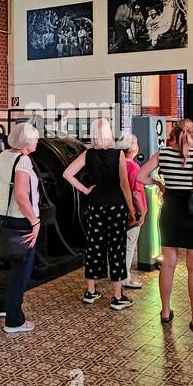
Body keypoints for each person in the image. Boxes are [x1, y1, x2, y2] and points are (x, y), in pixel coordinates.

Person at [137, 117, 193, 331]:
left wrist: (159, 183)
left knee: (167, 264)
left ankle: (165, 312)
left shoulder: (163, 153)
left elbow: (140, 176)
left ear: (174, 134)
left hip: (170, 212)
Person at [63, 117, 137, 310]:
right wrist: (131, 209)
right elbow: (124, 185)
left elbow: (67, 174)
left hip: (95, 205)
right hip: (116, 206)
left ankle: (90, 291)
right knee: (116, 248)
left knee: (94, 245)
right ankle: (117, 296)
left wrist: (86, 190)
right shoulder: (118, 154)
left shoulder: (88, 154)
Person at [0, 123, 43, 334]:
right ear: (27, 142)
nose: (37, 141)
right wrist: (35, 221)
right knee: (22, 271)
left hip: (5, 218)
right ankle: (14, 320)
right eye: (35, 138)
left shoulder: (2, 156)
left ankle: (1, 306)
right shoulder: (23, 161)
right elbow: (21, 196)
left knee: (14, 266)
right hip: (23, 221)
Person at [118, 131, 148, 289]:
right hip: (132, 213)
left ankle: (117, 274)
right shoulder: (134, 167)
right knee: (129, 245)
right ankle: (125, 277)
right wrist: (142, 212)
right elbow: (136, 193)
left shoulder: (117, 164)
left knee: (119, 245)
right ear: (132, 149)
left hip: (118, 209)